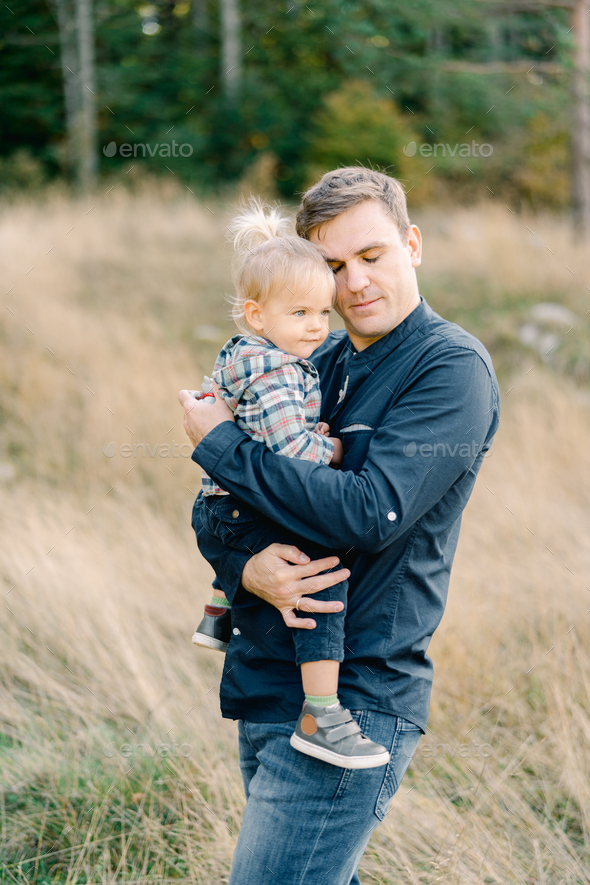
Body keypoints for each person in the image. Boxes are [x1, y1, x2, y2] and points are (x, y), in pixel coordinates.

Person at [179, 167, 500, 885]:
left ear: (411, 244)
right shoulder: (306, 359)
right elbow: (217, 504)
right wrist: (244, 570)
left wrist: (219, 442)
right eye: (332, 266)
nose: (353, 282)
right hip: (268, 680)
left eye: (371, 255)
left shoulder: (449, 370)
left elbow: (369, 512)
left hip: (354, 696)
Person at [191, 197, 390, 769]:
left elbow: (244, 431)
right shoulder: (279, 368)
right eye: (301, 314)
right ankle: (322, 711)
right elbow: (294, 456)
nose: (318, 329)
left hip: (221, 504)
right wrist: (329, 446)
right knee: (320, 576)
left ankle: (218, 610)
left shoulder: (246, 356)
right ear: (257, 316)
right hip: (241, 509)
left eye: (323, 315)